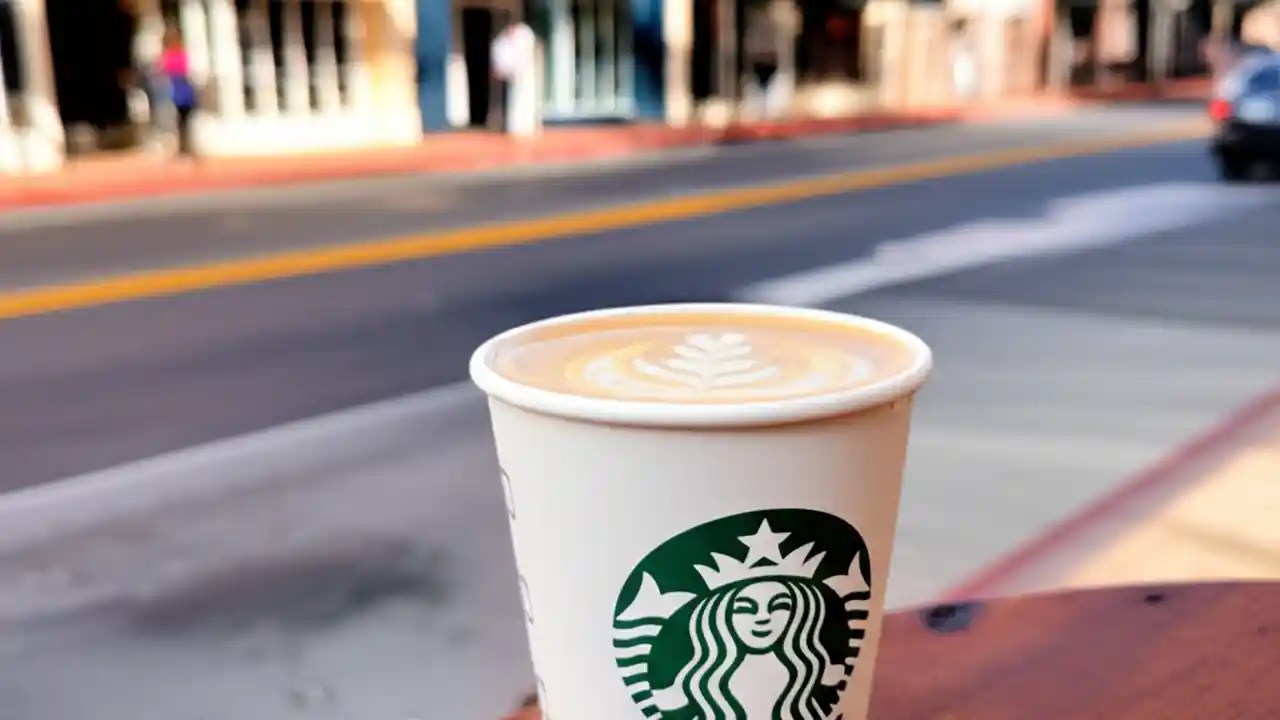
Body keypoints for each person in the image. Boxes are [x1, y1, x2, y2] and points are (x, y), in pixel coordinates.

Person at [490, 19, 538, 135]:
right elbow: (500, 57)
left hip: (525, 73)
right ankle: (513, 127)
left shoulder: (525, 36)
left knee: (528, 99)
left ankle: (528, 126)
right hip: (511, 75)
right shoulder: (501, 42)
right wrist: (500, 69)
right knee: (512, 101)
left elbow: (527, 53)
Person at [157, 27, 197, 157]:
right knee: (181, 122)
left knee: (182, 122)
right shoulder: (177, 54)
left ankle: (184, 147)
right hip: (178, 93)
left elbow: (167, 71)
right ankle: (184, 147)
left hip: (179, 93)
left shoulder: (173, 55)